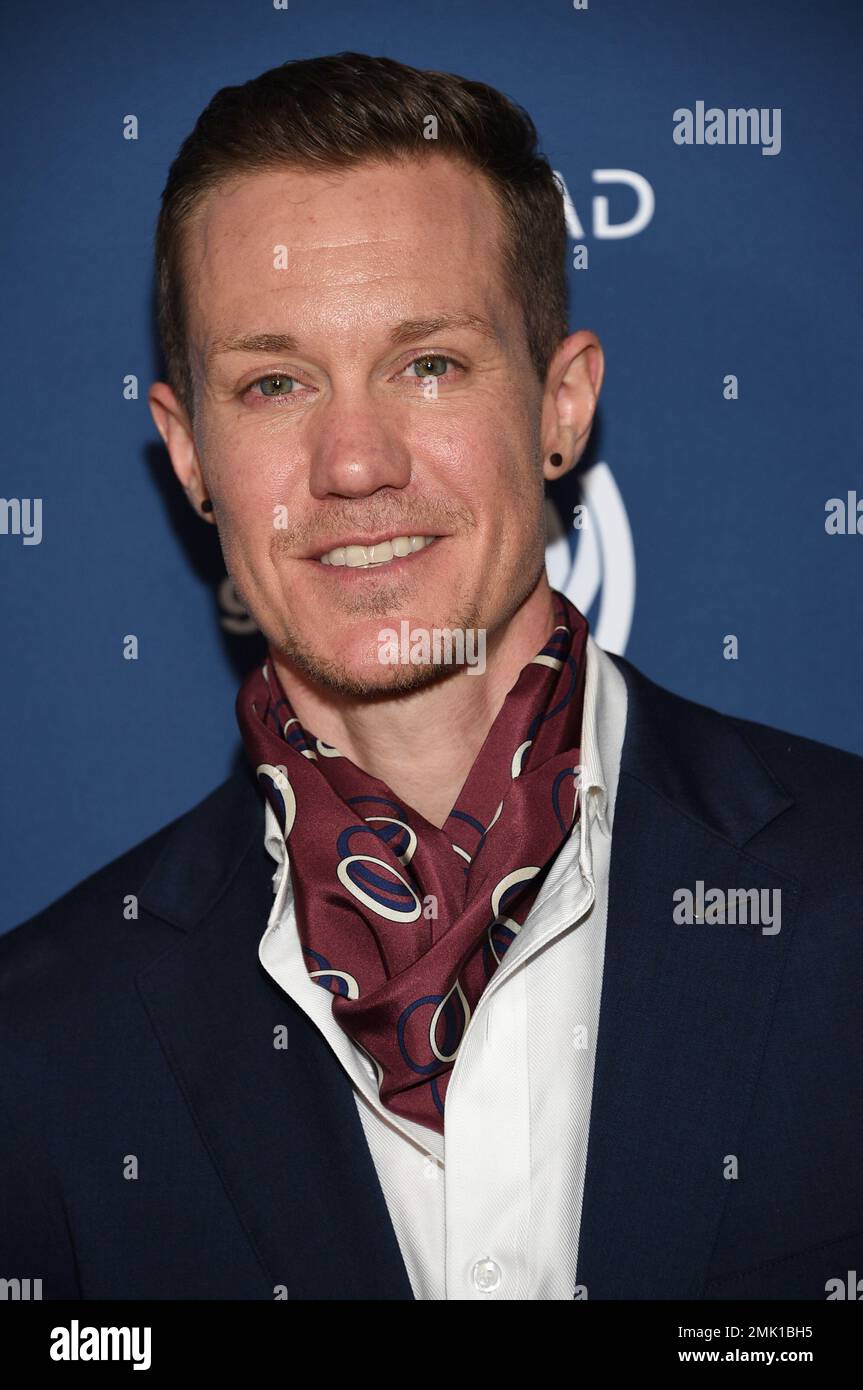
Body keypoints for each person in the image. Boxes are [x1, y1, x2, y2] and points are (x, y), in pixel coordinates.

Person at [1, 52, 861, 1303]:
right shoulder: (43, 1044)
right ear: (190, 452)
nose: (353, 463)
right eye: (276, 383)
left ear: (560, 405)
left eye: (429, 364)